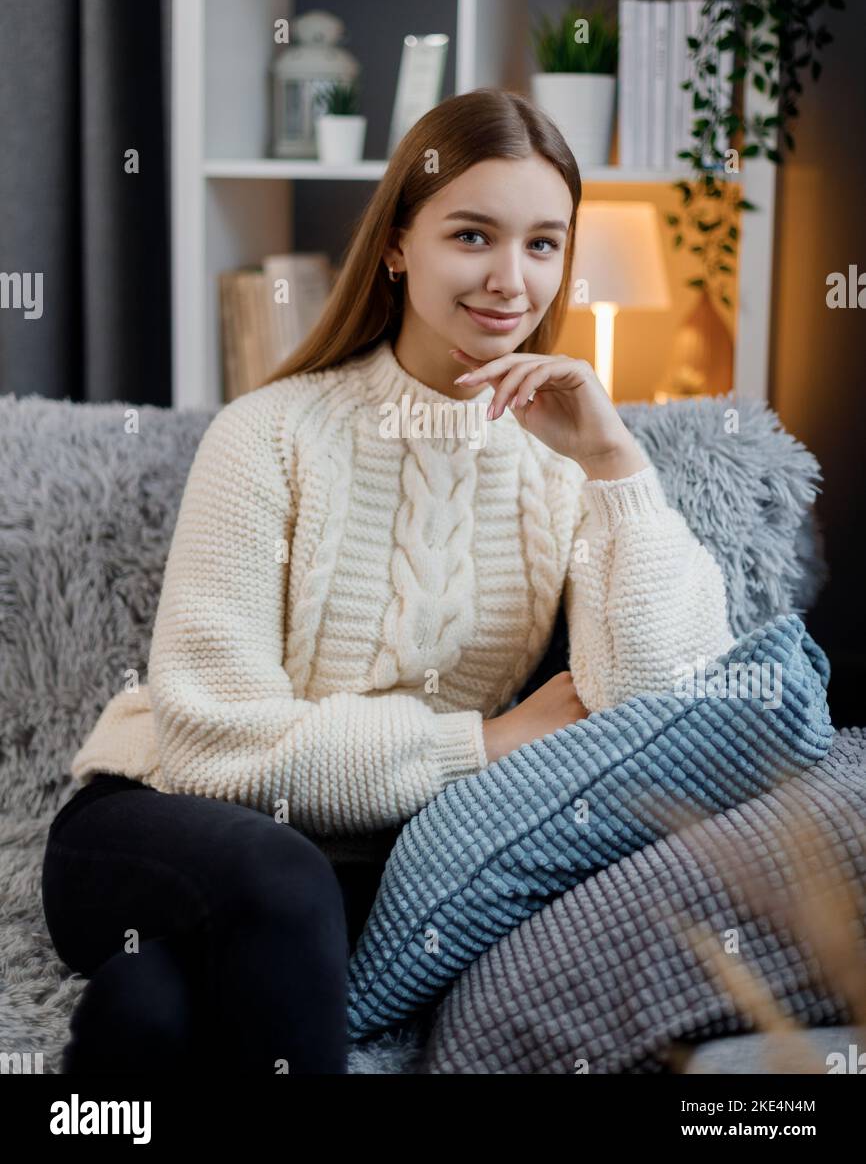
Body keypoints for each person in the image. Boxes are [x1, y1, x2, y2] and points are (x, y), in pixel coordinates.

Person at [41, 87, 735, 1074]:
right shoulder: (270, 435)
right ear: (398, 244)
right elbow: (207, 744)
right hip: (156, 828)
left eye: (542, 244)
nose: (508, 278)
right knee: (277, 878)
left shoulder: (564, 457)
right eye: (471, 235)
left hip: (353, 879)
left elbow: (653, 710)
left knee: (148, 1013)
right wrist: (478, 743)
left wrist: (616, 467)